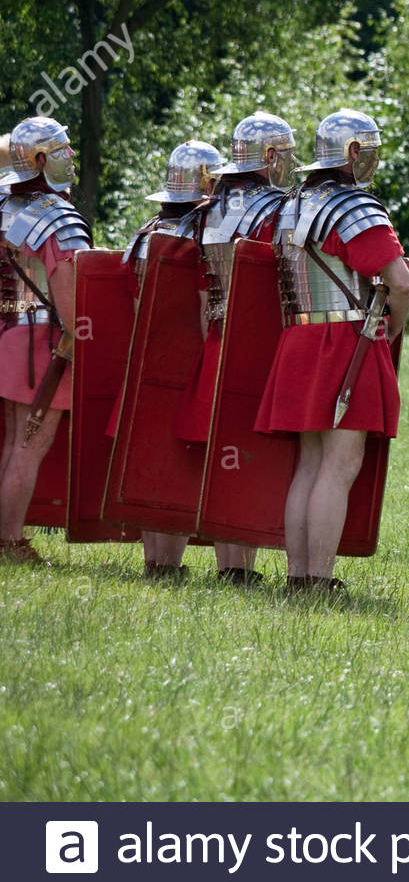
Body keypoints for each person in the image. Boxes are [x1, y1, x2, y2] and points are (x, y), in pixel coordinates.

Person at [254, 108, 409, 595]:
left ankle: (298, 576)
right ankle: (319, 578)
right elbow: (400, 284)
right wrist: (392, 330)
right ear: (351, 153)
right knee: (340, 465)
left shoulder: (289, 206)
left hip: (297, 339)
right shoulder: (355, 208)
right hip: (346, 341)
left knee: (309, 461)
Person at [174, 110, 299, 584]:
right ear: (269, 157)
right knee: (249, 454)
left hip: (217, 341)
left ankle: (233, 565)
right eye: (285, 154)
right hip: (262, 344)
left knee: (226, 453)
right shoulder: (279, 209)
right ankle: (244, 567)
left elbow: (204, 293)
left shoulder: (207, 212)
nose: (289, 163)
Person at [113, 140, 222, 580]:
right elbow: (202, 309)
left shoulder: (145, 233)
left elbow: (134, 304)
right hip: (183, 363)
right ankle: (169, 565)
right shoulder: (198, 237)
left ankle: (155, 562)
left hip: (144, 360)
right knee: (177, 463)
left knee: (151, 460)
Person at [0, 117, 92, 563]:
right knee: (28, 447)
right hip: (44, 347)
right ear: (38, 160)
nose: (70, 156)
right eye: (62, 149)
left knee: (13, 442)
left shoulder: (4, 208)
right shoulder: (56, 216)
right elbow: (73, 311)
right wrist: (82, 344)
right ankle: (10, 541)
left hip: (9, 336)